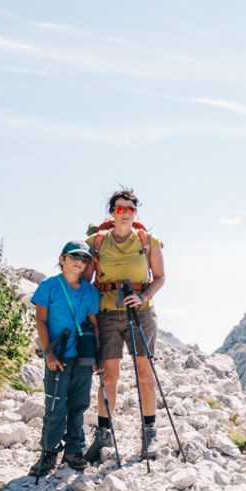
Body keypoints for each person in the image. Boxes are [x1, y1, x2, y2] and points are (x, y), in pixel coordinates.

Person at [85, 187, 167, 462]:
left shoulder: (147, 241)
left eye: (130, 209)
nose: (125, 214)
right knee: (109, 376)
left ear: (135, 213)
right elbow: (87, 281)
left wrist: (143, 295)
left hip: (141, 313)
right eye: (120, 209)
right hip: (107, 313)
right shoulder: (98, 243)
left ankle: (149, 433)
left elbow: (160, 277)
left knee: (145, 374)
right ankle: (103, 434)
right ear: (111, 212)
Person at [29, 241, 102, 477]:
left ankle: (73, 450)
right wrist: (48, 354)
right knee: (55, 405)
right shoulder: (49, 286)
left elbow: (93, 323)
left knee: (79, 404)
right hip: (58, 354)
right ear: (62, 259)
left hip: (82, 356)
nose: (79, 262)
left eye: (84, 259)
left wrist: (96, 356)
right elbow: (40, 321)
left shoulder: (90, 292)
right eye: (74, 257)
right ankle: (49, 452)